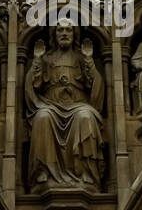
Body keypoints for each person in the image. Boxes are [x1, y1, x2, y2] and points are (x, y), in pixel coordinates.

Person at [25, 24, 104, 188]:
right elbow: (34, 85)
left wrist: (89, 59)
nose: (64, 33)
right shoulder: (47, 58)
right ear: (54, 34)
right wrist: (37, 60)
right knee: (42, 117)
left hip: (78, 104)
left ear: (75, 34)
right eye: (60, 30)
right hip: (51, 104)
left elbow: (94, 84)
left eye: (68, 30)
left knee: (86, 117)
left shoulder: (81, 58)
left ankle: (86, 173)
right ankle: (43, 172)